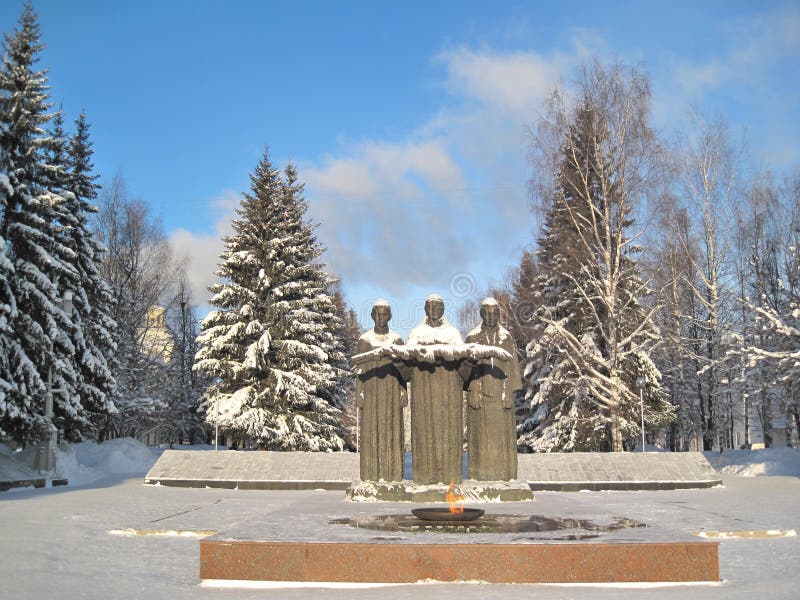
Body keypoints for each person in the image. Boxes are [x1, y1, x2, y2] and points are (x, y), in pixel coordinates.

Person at [406, 294, 465, 484]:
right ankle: (425, 475)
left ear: (443, 310)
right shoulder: (416, 333)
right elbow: (407, 360)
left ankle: (449, 476)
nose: (435, 310)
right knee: (425, 430)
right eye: (431, 307)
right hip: (423, 389)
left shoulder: (453, 333)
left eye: (438, 307)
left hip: (449, 390)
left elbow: (464, 360)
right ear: (425, 310)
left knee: (448, 430)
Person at [464, 297, 523, 481]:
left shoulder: (506, 337)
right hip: (481, 394)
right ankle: (480, 476)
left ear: (499, 314)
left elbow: (512, 366)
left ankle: (503, 476)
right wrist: (473, 390)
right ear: (481, 314)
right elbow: (467, 367)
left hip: (501, 394)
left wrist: (510, 393)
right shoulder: (473, 337)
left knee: (501, 438)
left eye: (495, 312)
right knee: (481, 437)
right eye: (487, 313)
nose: (491, 316)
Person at [355, 300, 406, 481]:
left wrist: (403, 390)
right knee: (371, 431)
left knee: (392, 429)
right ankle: (370, 475)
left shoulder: (397, 340)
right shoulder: (365, 340)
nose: (381, 317)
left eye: (384, 314)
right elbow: (359, 369)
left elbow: (402, 369)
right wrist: (358, 392)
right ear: (372, 315)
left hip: (391, 390)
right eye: (378, 314)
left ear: (389, 316)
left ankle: (392, 474)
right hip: (371, 389)